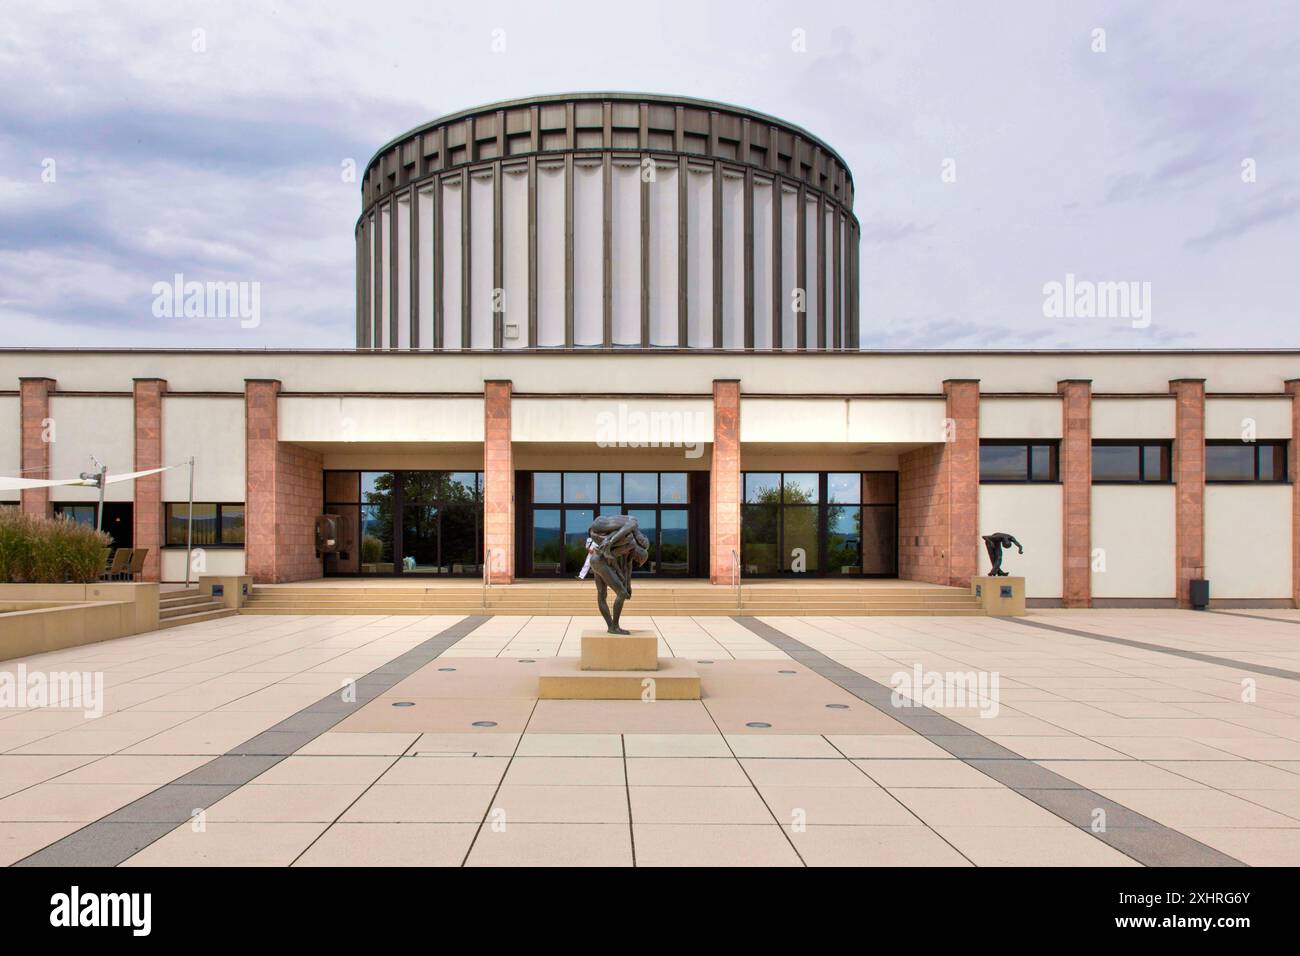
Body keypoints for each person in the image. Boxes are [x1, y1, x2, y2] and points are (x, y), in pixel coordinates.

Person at [580, 514, 649, 634]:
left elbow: (627, 566)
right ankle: (614, 626)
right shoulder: (631, 533)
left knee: (602, 594)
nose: (636, 560)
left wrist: (627, 584)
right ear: (639, 552)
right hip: (600, 559)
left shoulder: (628, 543)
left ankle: (611, 626)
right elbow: (616, 556)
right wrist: (609, 542)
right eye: (638, 559)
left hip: (596, 559)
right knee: (621, 593)